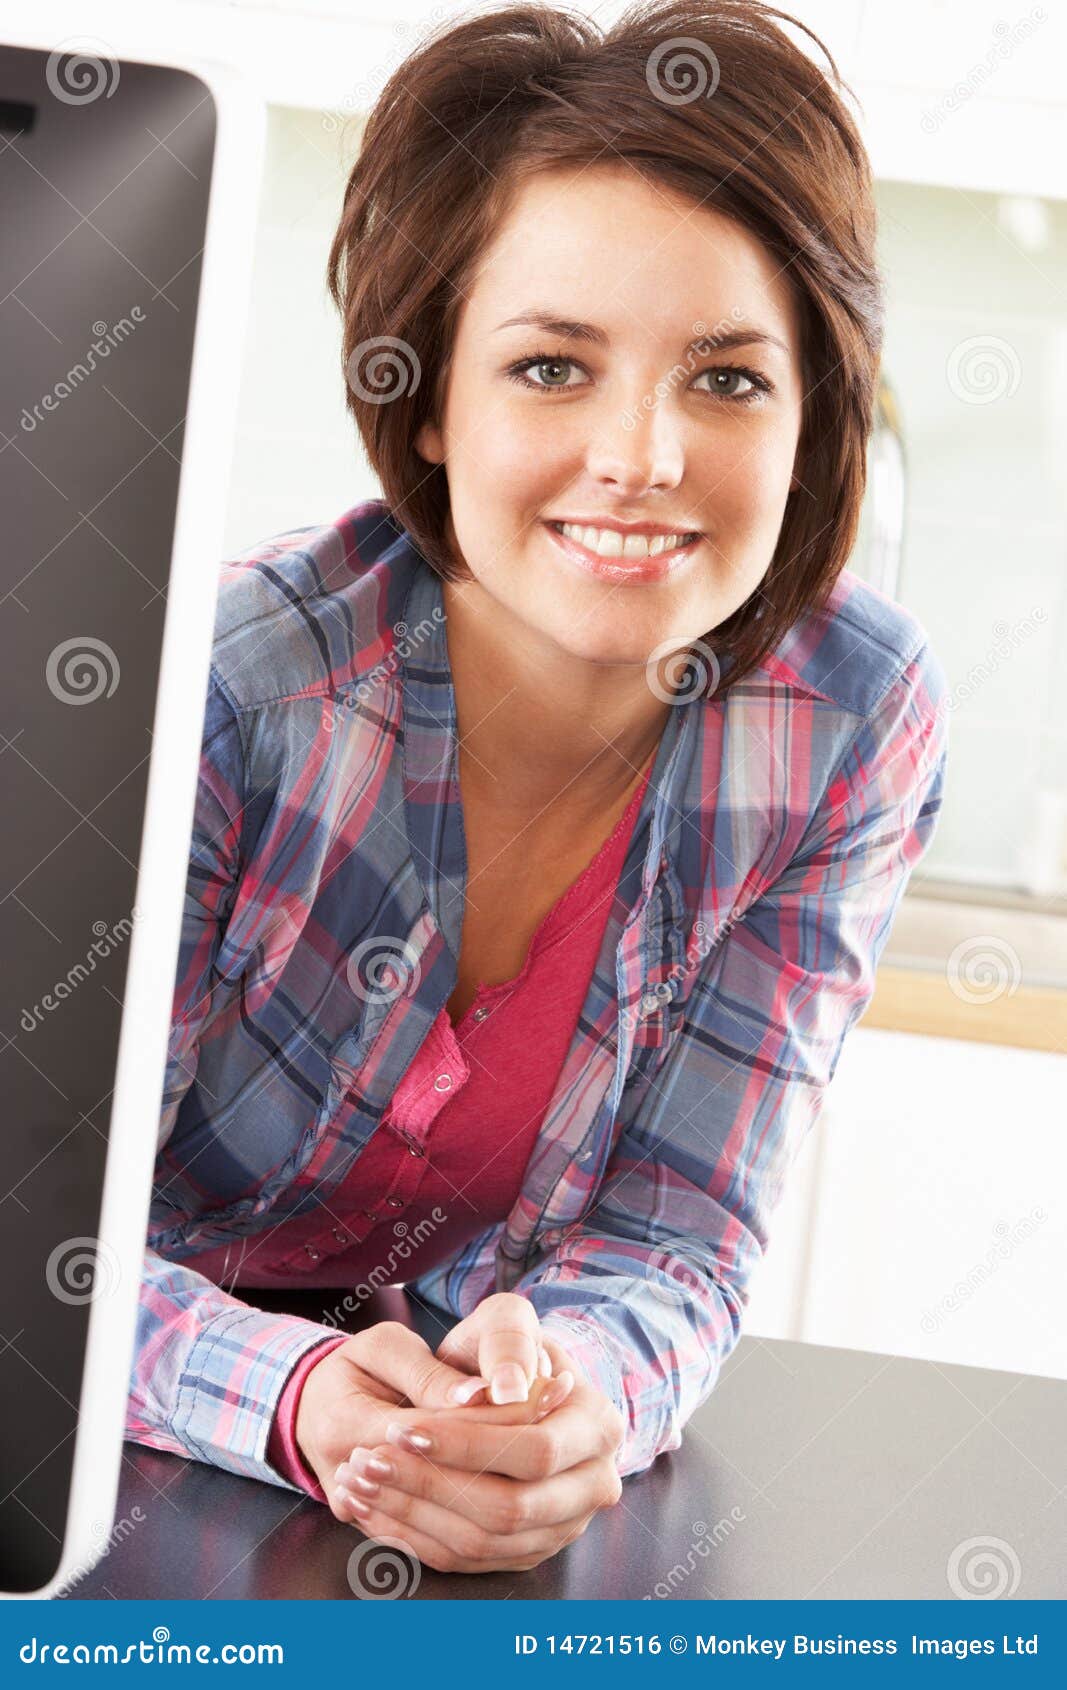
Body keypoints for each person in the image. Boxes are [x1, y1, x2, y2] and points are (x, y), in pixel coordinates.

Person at [127, 0, 949, 1575]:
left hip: (447, 1505)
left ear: (812, 418)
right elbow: (42, 1250)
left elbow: (678, 1234)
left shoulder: (850, 717)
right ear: (431, 400)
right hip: (125, 1460)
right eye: (553, 365)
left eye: (725, 380)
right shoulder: (236, 688)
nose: (642, 455)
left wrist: (583, 1397)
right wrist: (293, 1392)